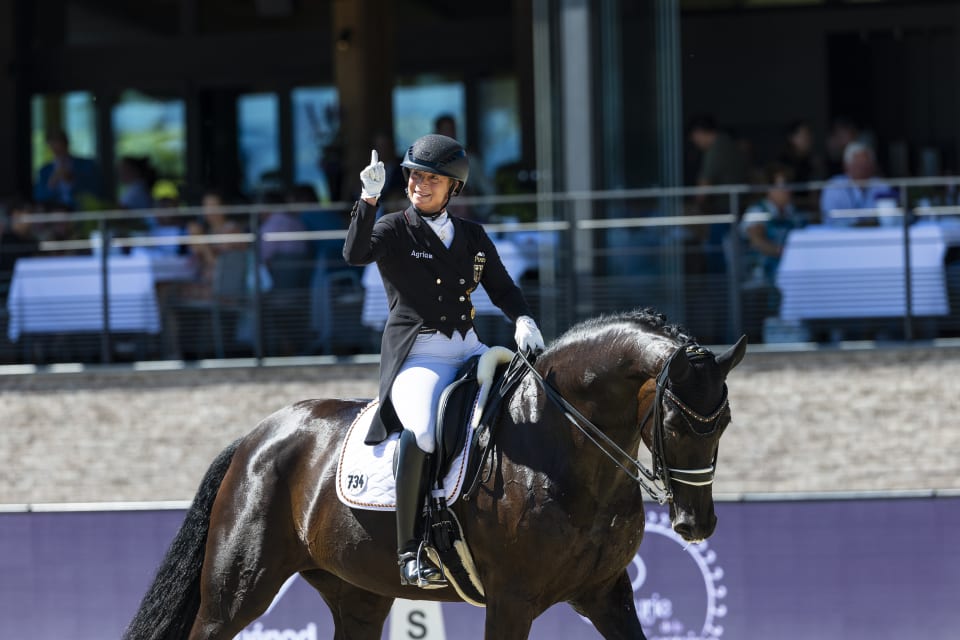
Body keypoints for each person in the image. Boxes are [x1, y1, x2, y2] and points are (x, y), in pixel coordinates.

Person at [343, 134, 544, 589]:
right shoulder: (394, 229)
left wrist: (523, 318)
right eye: (414, 176)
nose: (419, 184)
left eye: (431, 178)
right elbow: (354, 253)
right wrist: (368, 199)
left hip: (469, 347)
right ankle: (410, 549)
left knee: (526, 403)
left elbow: (502, 287)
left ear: (453, 187)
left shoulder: (472, 236)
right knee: (423, 432)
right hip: (420, 355)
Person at [819, 142, 893, 227]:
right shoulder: (834, 186)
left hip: (875, 233)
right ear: (846, 166)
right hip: (842, 234)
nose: (862, 168)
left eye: (866, 164)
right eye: (858, 164)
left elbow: (889, 218)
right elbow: (830, 219)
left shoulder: (881, 186)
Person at [33, 129, 102, 210]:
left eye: (59, 143)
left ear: (66, 143)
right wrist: (51, 183)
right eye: (53, 145)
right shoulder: (45, 171)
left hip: (81, 211)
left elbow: (98, 191)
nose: (57, 148)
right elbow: (39, 197)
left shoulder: (86, 165)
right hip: (56, 212)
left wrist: (73, 179)